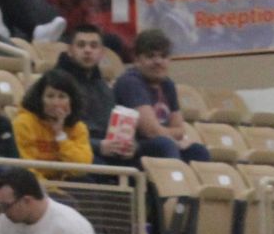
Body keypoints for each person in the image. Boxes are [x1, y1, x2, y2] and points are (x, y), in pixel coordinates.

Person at [111, 28, 209, 162]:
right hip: (131, 150)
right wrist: (172, 137)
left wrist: (172, 136)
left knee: (197, 151)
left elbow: (180, 130)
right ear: (137, 59)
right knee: (164, 144)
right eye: (151, 56)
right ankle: (171, 183)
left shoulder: (167, 84)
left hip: (161, 145)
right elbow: (151, 132)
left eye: (163, 56)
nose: (158, 62)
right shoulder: (130, 82)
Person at [52, 26, 127, 161]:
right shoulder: (56, 83)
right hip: (72, 152)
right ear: (70, 50)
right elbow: (56, 132)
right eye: (81, 45)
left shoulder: (103, 87)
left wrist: (129, 146)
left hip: (106, 150)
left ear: (102, 52)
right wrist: (98, 146)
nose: (87, 50)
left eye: (93, 46)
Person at [11, 70, 93, 170]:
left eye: (62, 97)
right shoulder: (24, 123)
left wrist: (60, 136)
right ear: (40, 99)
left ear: (72, 101)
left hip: (65, 180)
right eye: (50, 96)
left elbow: (82, 167)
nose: (55, 103)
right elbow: (27, 167)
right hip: (34, 182)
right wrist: (50, 186)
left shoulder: (78, 127)